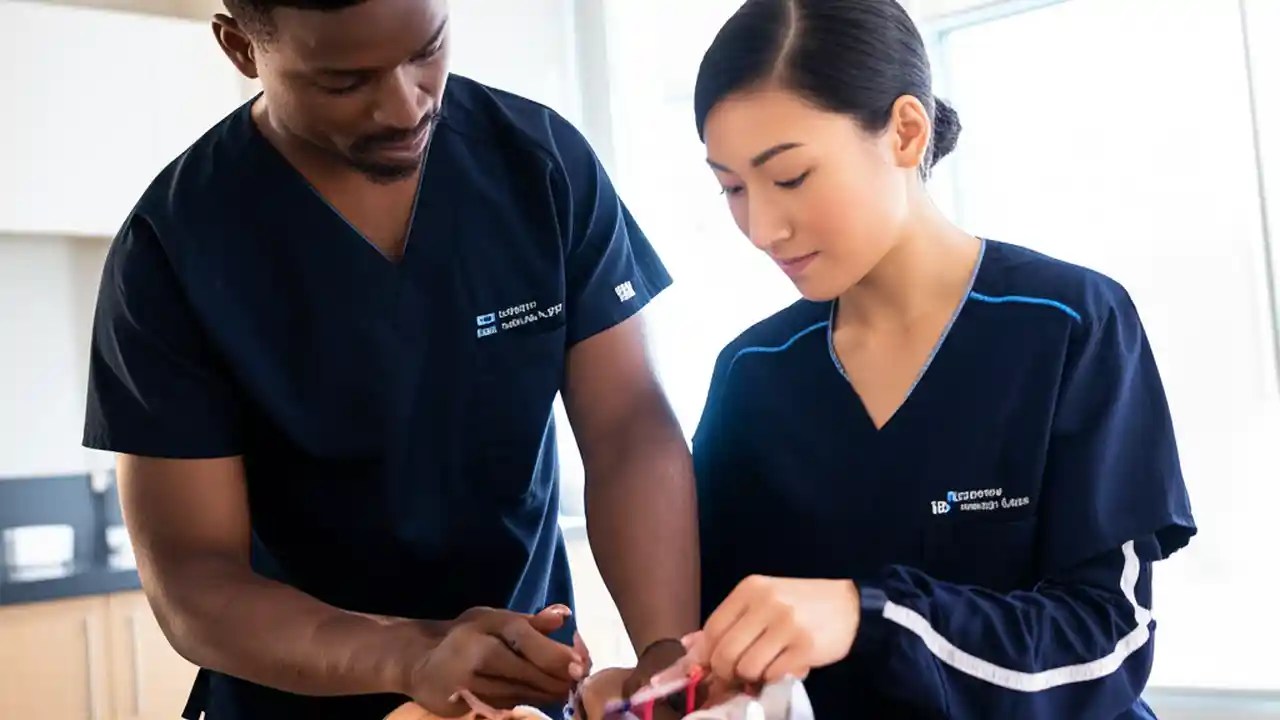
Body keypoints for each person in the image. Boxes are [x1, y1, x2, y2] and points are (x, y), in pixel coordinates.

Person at [80, 0, 701, 717]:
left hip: (519, 694)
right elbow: (193, 579)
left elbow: (629, 428)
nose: (405, 106)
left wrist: (666, 656)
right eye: (346, 82)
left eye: (427, 51)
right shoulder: (173, 250)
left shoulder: (543, 168)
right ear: (241, 49)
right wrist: (411, 656)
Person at [639, 0, 1198, 718]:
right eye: (733, 189)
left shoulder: (1068, 324)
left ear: (906, 131)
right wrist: (646, 694)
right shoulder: (753, 374)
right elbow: (726, 653)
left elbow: (1107, 642)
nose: (762, 228)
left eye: (792, 177)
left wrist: (872, 615)